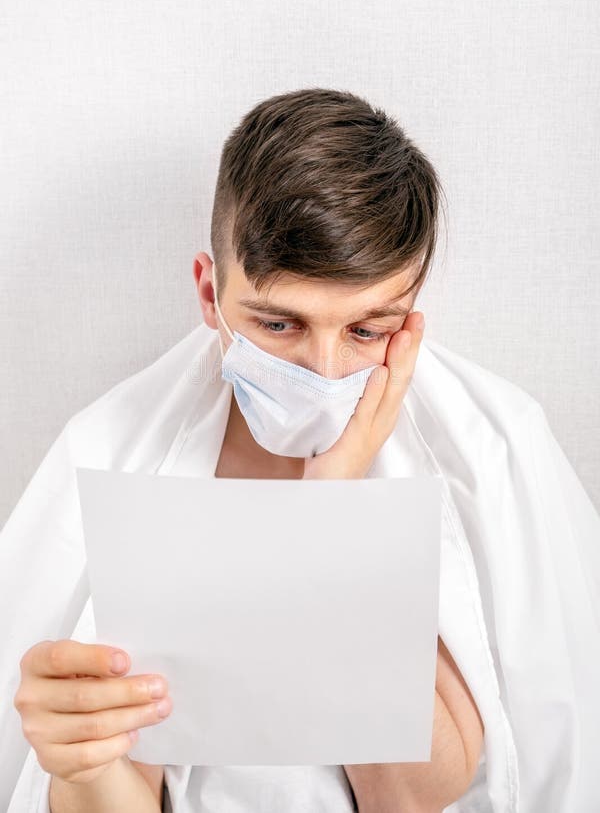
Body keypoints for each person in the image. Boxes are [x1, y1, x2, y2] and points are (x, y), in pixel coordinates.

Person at [2, 87, 599, 813]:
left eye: (367, 330)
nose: (323, 372)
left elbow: (415, 796)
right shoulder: (111, 454)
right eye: (279, 326)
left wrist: (329, 514)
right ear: (208, 292)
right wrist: (82, 763)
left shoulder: (489, 452)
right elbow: (122, 789)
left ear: (409, 317)